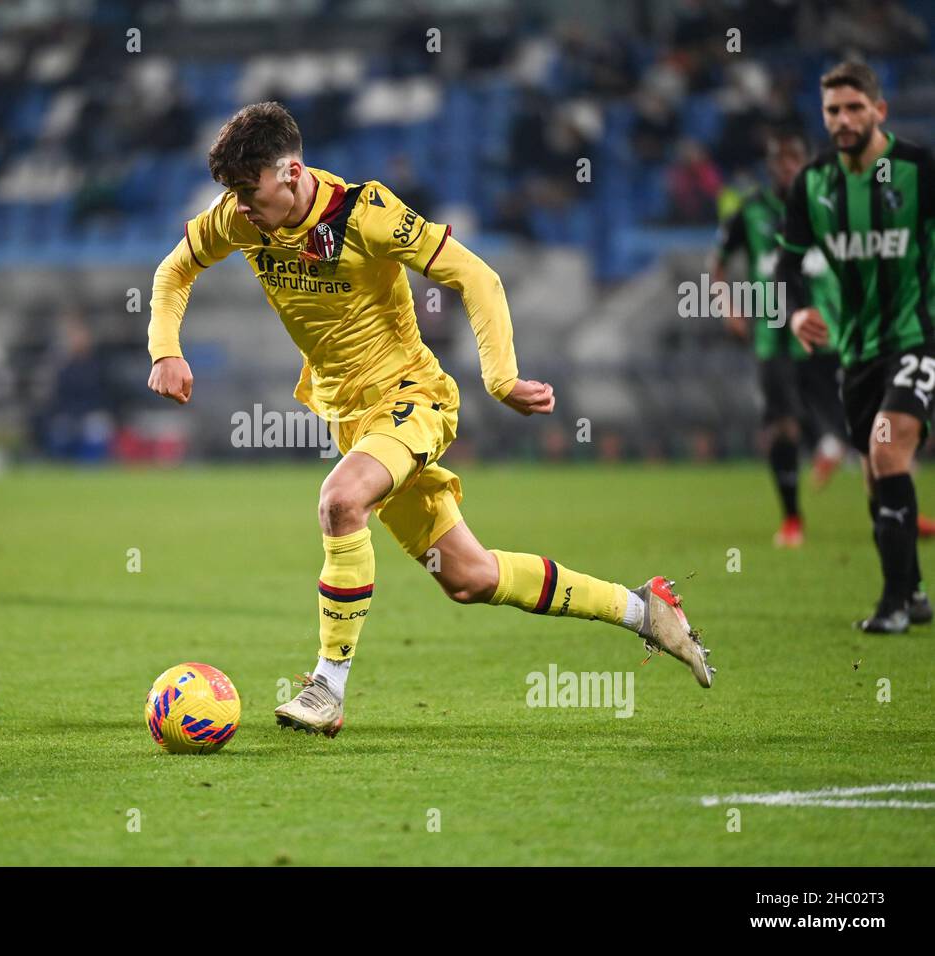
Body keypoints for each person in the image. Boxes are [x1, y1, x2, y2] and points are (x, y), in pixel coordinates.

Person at [147, 102, 714, 737]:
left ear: (292, 172)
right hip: (353, 420)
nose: (240, 208)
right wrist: (166, 349)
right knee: (469, 578)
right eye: (232, 195)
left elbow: (477, 276)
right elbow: (174, 272)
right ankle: (643, 609)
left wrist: (501, 376)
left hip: (412, 399)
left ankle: (326, 688)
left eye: (249, 192)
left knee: (340, 501)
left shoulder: (367, 214)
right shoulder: (240, 217)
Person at [780, 61, 935, 633]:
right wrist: (797, 311)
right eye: (832, 110)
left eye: (853, 108)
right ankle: (914, 588)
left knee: (887, 449)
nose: (843, 119)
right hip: (857, 349)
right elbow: (786, 265)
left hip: (920, 336)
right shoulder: (813, 184)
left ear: (879, 111)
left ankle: (893, 603)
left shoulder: (918, 168)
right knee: (876, 469)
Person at [711, 130, 849, 547]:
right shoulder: (750, 210)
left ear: (806, 162)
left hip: (827, 330)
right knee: (781, 424)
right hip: (773, 333)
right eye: (780, 159)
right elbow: (717, 263)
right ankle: (792, 518)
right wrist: (727, 306)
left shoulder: (831, 205)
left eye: (794, 158)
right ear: (771, 164)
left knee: (865, 419)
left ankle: (895, 510)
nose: (787, 166)